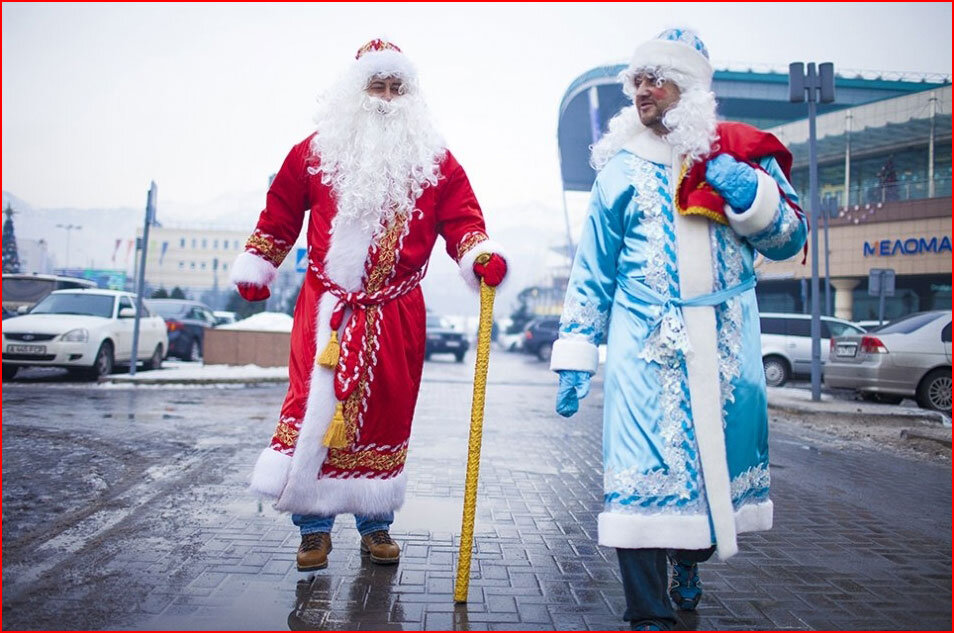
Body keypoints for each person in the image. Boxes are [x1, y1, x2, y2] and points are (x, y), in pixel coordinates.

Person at [550, 28, 807, 630]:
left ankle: (690, 560)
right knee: (640, 475)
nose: (641, 91)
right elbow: (592, 271)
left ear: (686, 89)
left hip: (724, 336)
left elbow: (790, 237)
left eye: (654, 80)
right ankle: (647, 613)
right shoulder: (618, 169)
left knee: (713, 463)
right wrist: (575, 354)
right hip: (645, 341)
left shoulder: (744, 152)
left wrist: (753, 195)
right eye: (636, 81)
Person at [230, 39, 507, 572]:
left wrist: (478, 255)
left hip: (398, 312)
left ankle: (375, 525)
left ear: (409, 96)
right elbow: (280, 215)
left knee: (386, 413)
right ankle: (312, 530)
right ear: (354, 93)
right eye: (375, 87)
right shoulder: (313, 152)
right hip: (326, 310)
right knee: (312, 409)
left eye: (395, 87)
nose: (384, 98)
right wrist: (260, 262)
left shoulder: (437, 161)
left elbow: (464, 220)